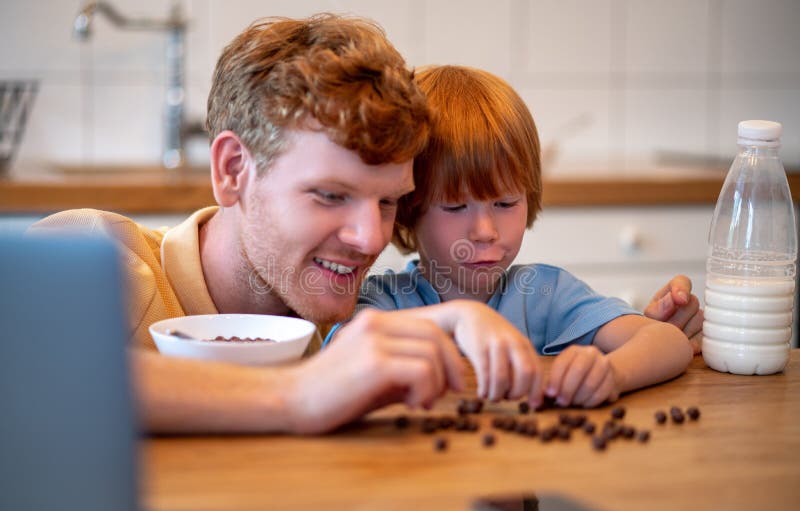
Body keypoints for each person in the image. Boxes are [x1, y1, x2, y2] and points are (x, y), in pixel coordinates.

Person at [30, 16, 699, 434]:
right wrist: (298, 395)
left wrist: (617, 343)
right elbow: (38, 374)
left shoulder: (343, 312)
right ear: (234, 168)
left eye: (387, 203)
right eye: (329, 195)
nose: (370, 239)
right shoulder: (98, 257)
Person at [329, 65, 697, 408]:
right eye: (456, 208)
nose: (486, 232)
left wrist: (611, 373)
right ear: (409, 209)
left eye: (505, 203)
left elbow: (667, 342)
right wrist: (459, 318)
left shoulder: (545, 293)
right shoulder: (384, 301)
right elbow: (342, 359)